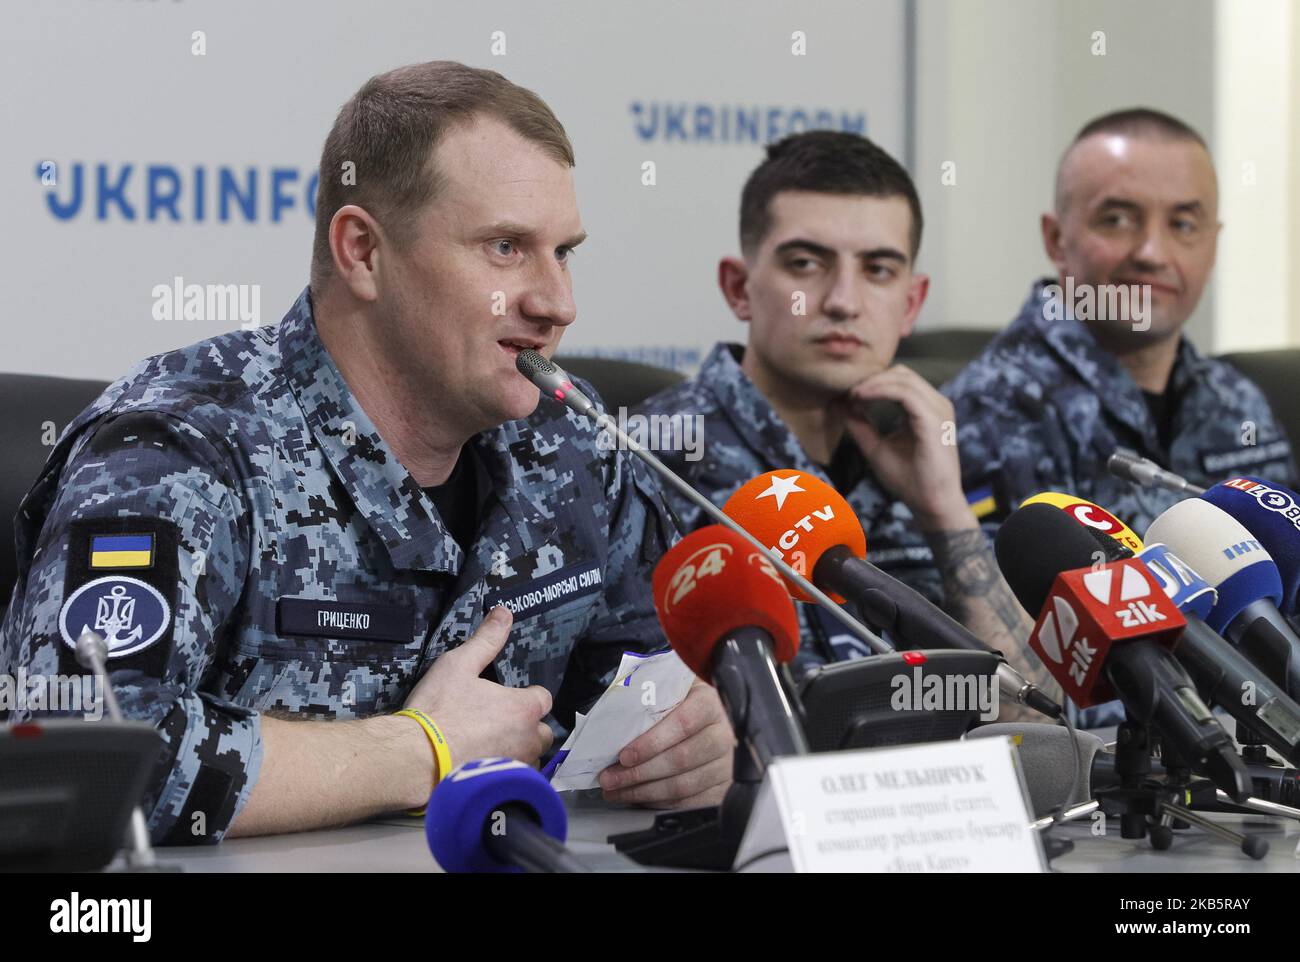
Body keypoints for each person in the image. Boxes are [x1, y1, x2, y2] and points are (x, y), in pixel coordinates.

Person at [0, 61, 736, 845]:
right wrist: (420, 750)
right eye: (506, 247)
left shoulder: (572, 443)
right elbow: (66, 763)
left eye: (565, 252)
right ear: (362, 252)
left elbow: (644, 681)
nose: (558, 301)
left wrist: (696, 734)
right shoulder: (179, 449)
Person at [636, 131, 1055, 712]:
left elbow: (1036, 717)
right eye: (805, 263)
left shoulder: (938, 448)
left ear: (911, 303)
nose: (841, 301)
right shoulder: (648, 463)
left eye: (878, 270)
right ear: (739, 289)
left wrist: (945, 514)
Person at [946, 107, 1298, 726]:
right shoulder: (980, 416)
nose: (1152, 252)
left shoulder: (1237, 399)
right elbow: (1005, 686)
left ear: (1214, 243)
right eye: (1117, 218)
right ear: (1057, 238)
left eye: (1184, 223)